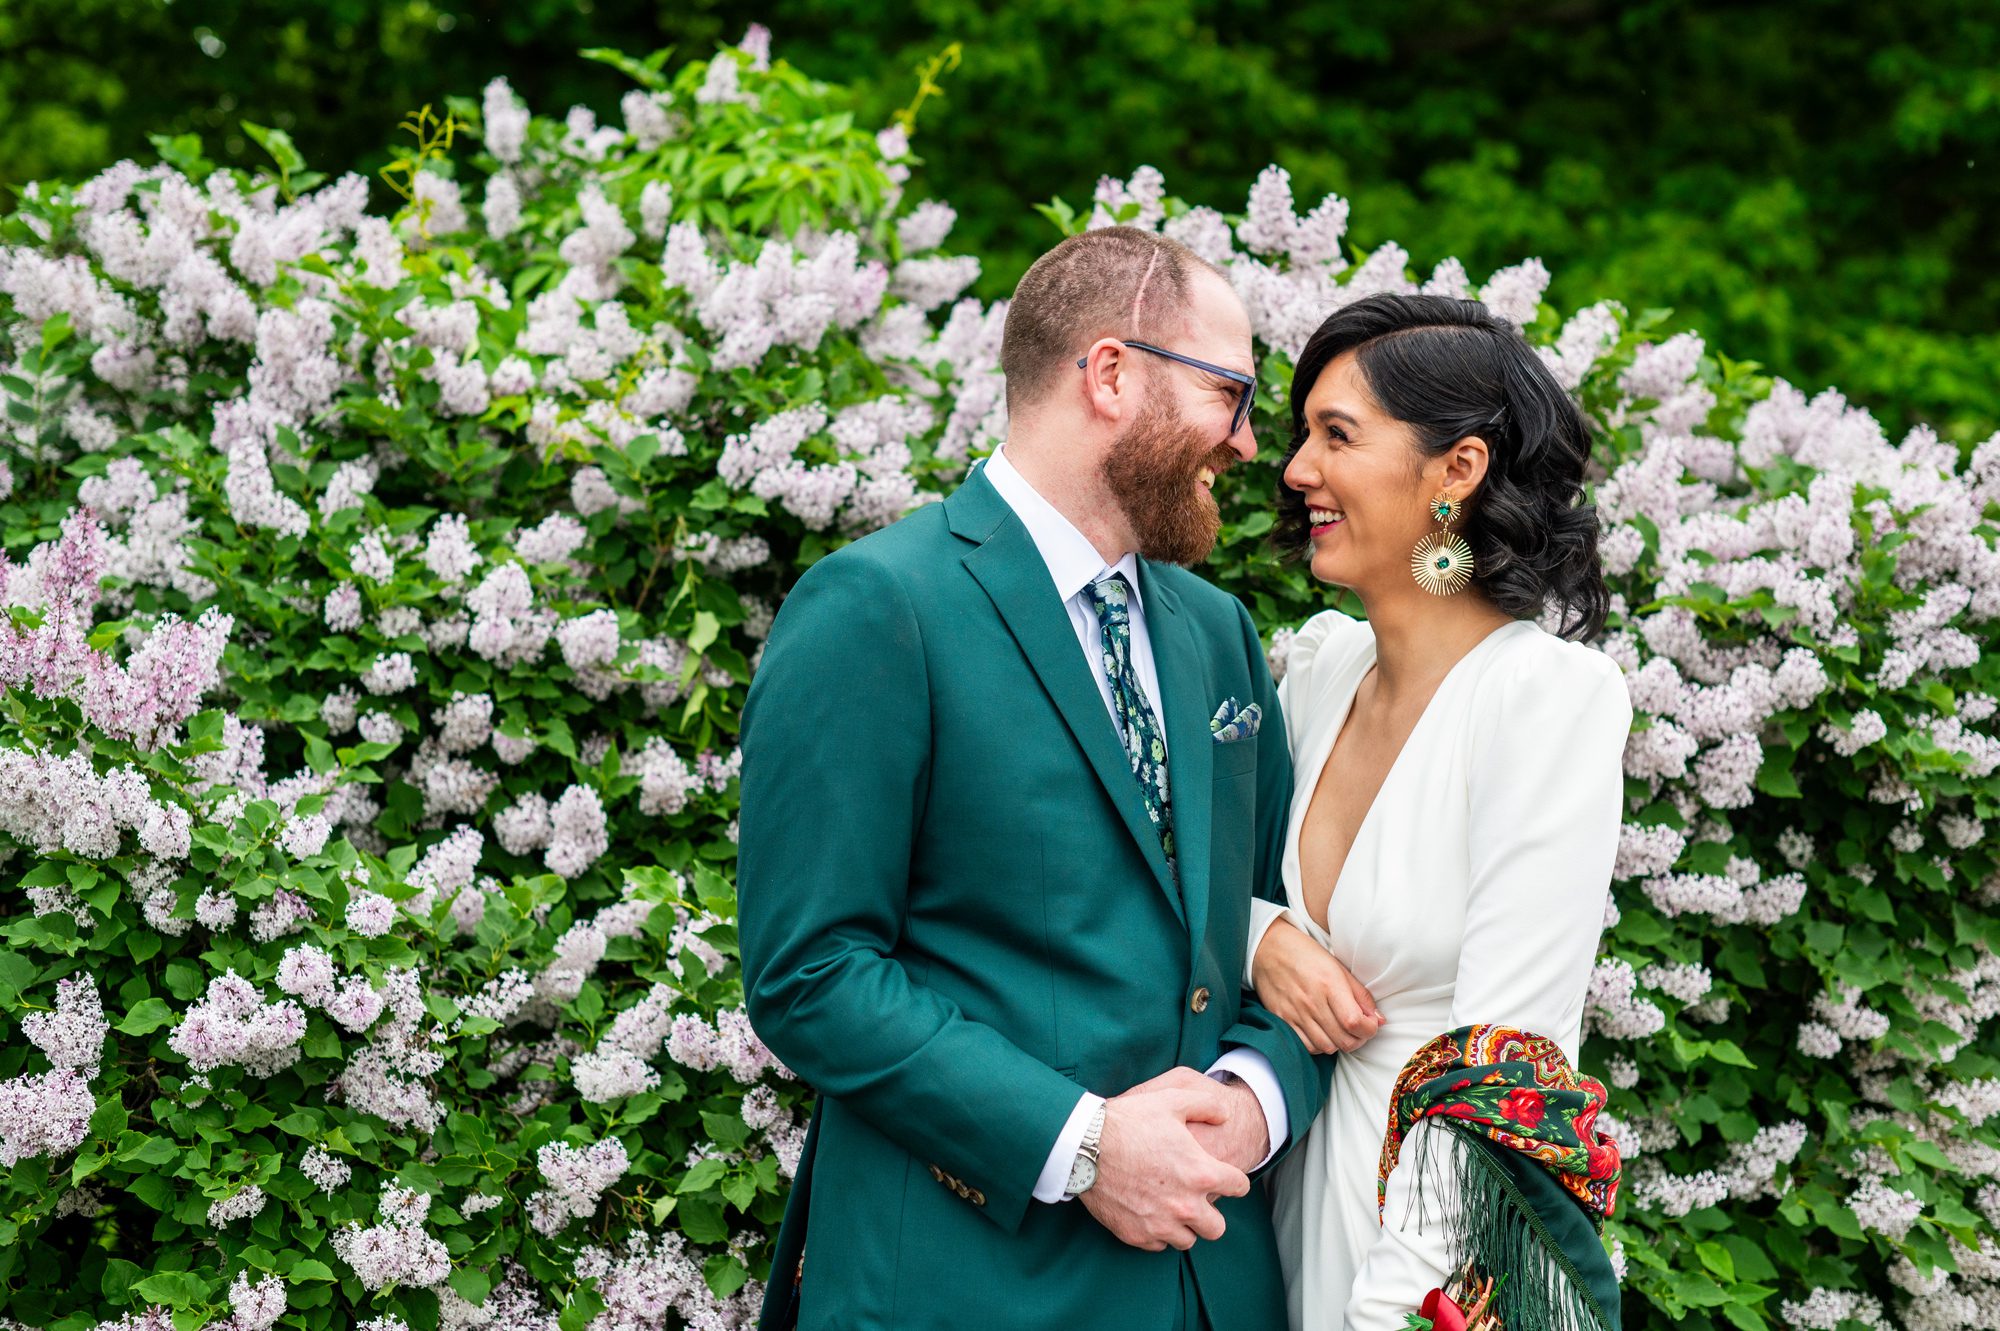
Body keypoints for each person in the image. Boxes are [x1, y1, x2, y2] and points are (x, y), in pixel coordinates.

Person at [738, 226, 1330, 1331]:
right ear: (1110, 373)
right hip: (969, 1283)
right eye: (1231, 396)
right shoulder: (877, 607)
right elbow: (808, 969)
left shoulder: (1218, 634)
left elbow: (1272, 926)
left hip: (1213, 1287)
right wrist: (1083, 1144)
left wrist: (1251, 1105)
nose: (1250, 443)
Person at [1245, 294, 1632, 1331]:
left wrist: (1392, 1303)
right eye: (1300, 434)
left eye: (1336, 435)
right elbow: (1204, 884)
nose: (1293, 468)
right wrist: (1261, 936)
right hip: (1268, 1208)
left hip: (1428, 1237)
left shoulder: (1544, 698)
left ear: (1454, 470)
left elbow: (1504, 1061)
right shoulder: (1320, 671)